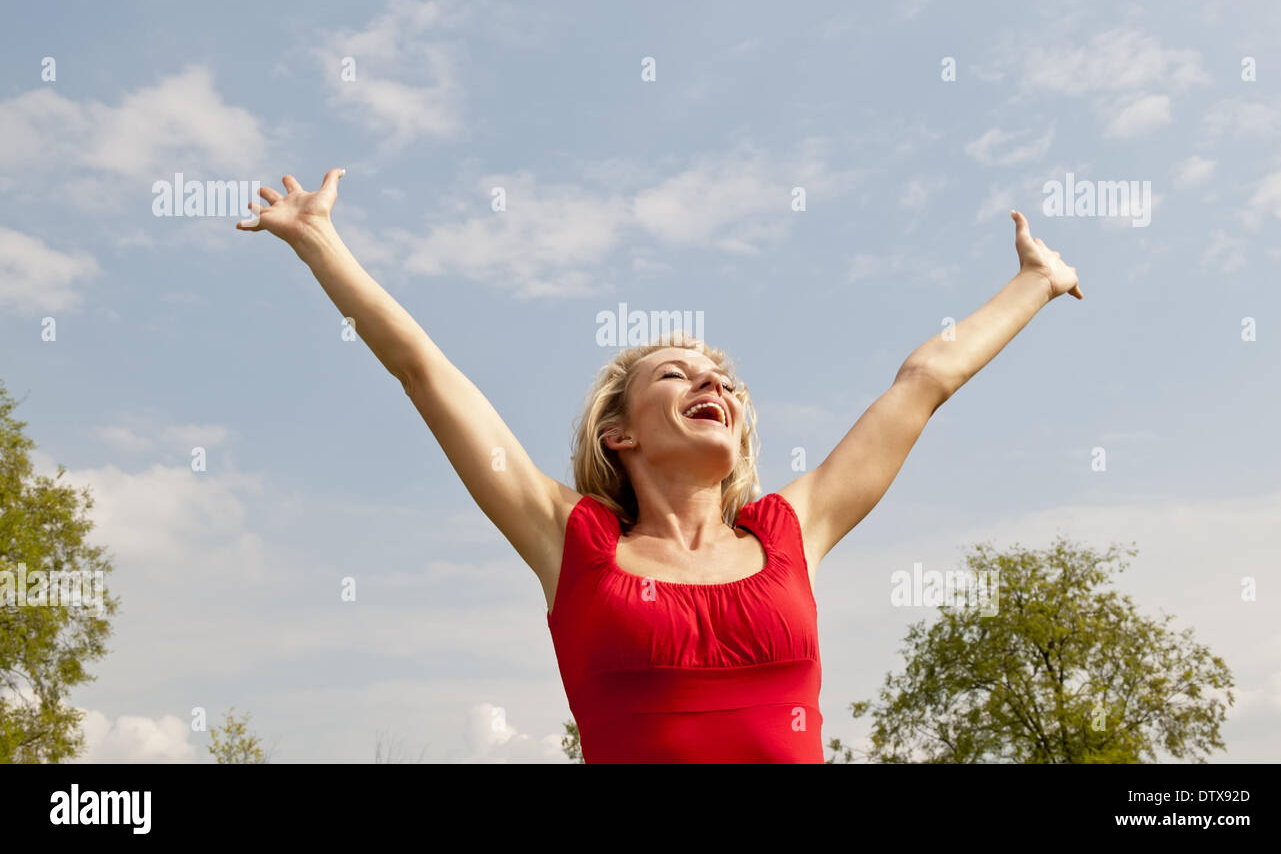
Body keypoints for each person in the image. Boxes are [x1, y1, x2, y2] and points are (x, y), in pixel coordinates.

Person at [239, 168, 1082, 763]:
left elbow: (922, 383)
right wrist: (320, 244)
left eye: (723, 378)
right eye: (676, 373)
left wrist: (1034, 283)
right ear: (621, 436)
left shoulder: (796, 527)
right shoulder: (571, 542)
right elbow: (424, 369)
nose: (711, 380)